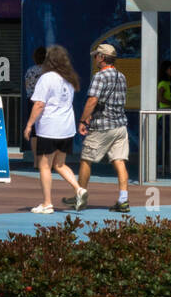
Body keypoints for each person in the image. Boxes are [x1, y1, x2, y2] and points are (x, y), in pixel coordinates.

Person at [67, 43, 131, 212]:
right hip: (120, 126)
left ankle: (80, 197)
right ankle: (123, 199)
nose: (95, 58)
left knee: (86, 159)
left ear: (102, 58)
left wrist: (82, 120)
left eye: (96, 55)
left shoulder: (99, 76)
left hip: (102, 125)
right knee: (119, 160)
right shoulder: (121, 76)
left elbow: (93, 100)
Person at [22, 45, 86, 214]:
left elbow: (39, 104)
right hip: (66, 127)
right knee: (60, 164)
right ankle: (79, 189)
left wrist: (29, 125)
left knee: (45, 166)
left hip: (49, 127)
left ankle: (47, 203)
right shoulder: (69, 78)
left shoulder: (47, 78)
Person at [20, 46, 47, 162]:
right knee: (47, 131)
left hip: (32, 101)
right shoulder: (49, 72)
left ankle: (36, 160)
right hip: (46, 103)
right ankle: (46, 160)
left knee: (35, 132)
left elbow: (27, 86)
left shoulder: (30, 70)